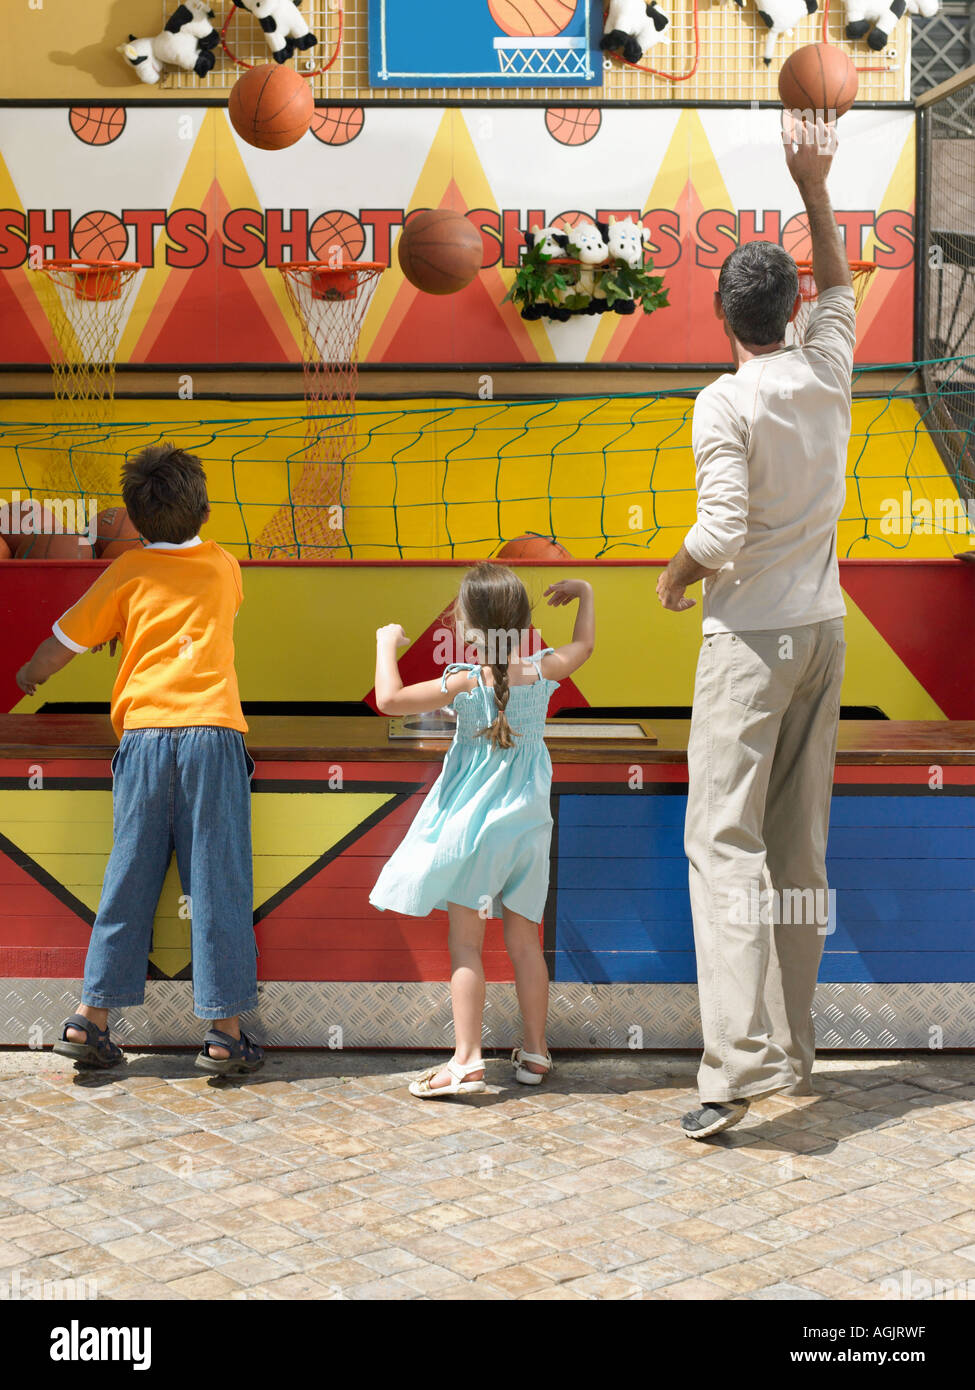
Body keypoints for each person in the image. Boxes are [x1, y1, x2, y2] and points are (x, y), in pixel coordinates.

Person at [656, 113, 854, 1138]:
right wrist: (812, 183)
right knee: (798, 850)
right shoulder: (830, 367)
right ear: (796, 307)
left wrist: (677, 573)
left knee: (724, 846)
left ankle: (734, 1069)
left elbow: (722, 527)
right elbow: (842, 280)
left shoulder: (723, 400)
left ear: (724, 316)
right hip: (824, 632)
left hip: (751, 643)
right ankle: (792, 1046)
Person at [15, 445, 262, 1076]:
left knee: (127, 880)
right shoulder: (224, 567)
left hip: (144, 739)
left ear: (129, 517)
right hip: (211, 734)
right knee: (217, 884)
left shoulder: (123, 574)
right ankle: (223, 1034)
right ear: (205, 509)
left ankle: (88, 1019)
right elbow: (211, 616)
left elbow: (62, 642)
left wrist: (26, 677)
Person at [370, 562, 595, 1098]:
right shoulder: (542, 672)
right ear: (523, 623)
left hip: (474, 834)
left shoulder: (462, 683)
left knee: (467, 946)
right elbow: (583, 644)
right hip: (529, 829)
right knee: (525, 943)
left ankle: (467, 1060)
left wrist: (387, 644)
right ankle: (536, 1052)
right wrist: (584, 591)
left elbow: (388, 700)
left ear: (467, 628)